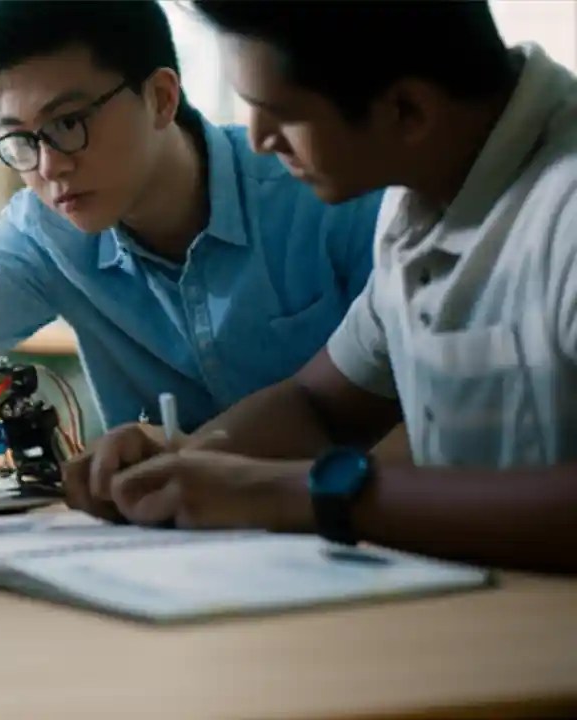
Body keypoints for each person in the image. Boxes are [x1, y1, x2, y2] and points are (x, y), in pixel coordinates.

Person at [67, 0, 577, 574]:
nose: (259, 140)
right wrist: (190, 460)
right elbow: (323, 404)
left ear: (407, 110)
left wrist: (298, 493)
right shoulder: (417, 197)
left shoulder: (564, 208)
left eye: (281, 114)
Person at [0, 0, 382, 445]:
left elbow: (420, 413)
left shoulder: (319, 188)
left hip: (356, 528)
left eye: (69, 122)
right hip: (164, 544)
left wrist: (198, 457)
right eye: (21, 138)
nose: (50, 165)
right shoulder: (45, 229)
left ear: (161, 99)